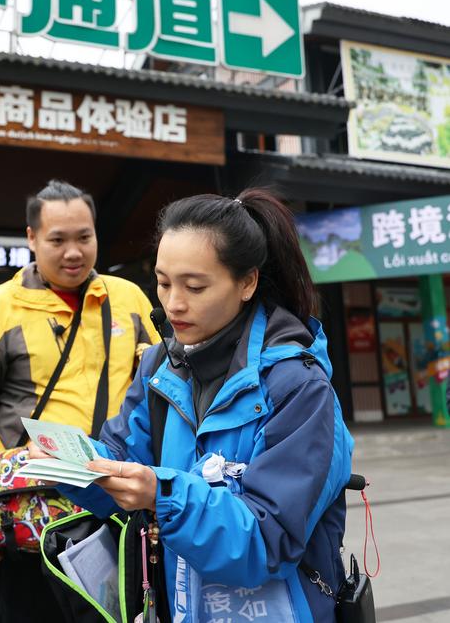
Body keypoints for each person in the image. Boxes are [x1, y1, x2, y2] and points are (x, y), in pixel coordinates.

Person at [37, 189, 353, 622]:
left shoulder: (299, 387)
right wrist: (72, 462)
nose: (173, 303)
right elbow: (123, 456)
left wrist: (161, 494)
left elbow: (268, 540)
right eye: (163, 283)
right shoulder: (159, 366)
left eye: (195, 286)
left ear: (247, 282)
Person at [0, 179, 160, 623]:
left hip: (116, 507)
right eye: (57, 240)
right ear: (32, 238)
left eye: (84, 237)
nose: (73, 252)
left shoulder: (129, 300)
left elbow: (163, 391)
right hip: (31, 522)